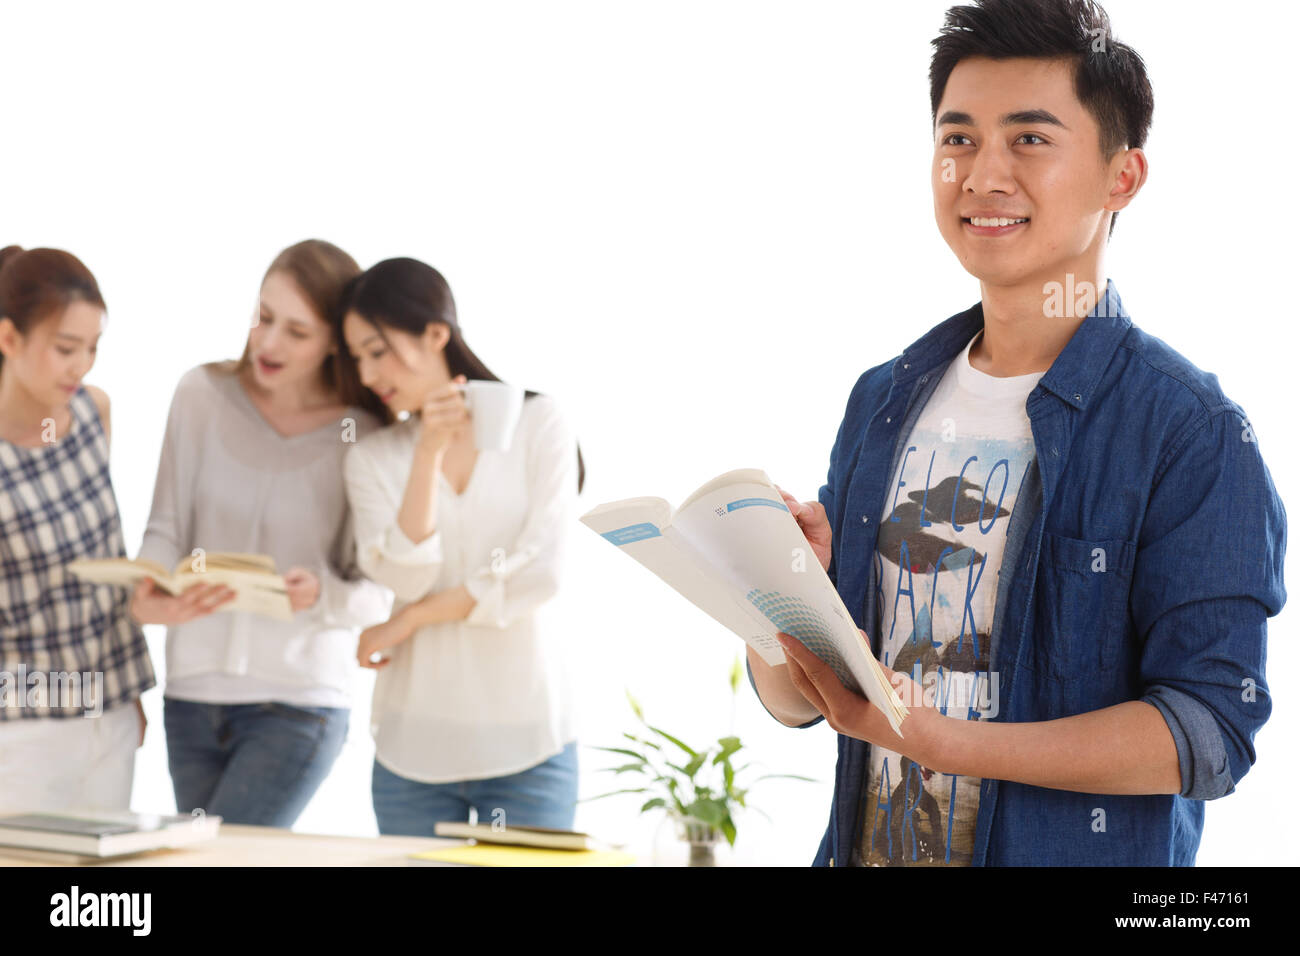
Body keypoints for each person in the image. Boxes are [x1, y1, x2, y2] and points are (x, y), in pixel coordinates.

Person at [747, 0, 1286, 866]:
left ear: (1122, 176)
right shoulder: (883, 398)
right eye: (957, 139)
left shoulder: (1190, 431)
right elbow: (803, 702)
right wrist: (777, 604)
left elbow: (1209, 731)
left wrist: (947, 742)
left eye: (1029, 140)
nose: (982, 174)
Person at [132, 239, 393, 828]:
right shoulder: (200, 394)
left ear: (336, 340)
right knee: (198, 856)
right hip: (192, 697)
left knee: (218, 861)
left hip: (299, 702)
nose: (268, 343)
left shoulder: (362, 430)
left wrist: (319, 594)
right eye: (263, 318)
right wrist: (150, 586)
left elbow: (379, 587)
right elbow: (166, 528)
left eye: (296, 332)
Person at [334, 257, 584, 835]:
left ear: (435, 333)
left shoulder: (538, 422)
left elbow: (541, 574)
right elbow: (405, 578)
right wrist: (427, 454)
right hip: (411, 748)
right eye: (357, 358)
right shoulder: (372, 457)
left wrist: (410, 621)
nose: (369, 373)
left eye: (378, 350)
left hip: (530, 744)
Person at [0, 245, 155, 814]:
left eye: (91, 348)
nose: (81, 365)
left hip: (110, 714)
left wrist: (127, 695)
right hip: (19, 730)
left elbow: (103, 557)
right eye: (66, 349)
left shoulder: (94, 412)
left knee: (98, 898)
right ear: (9, 339)